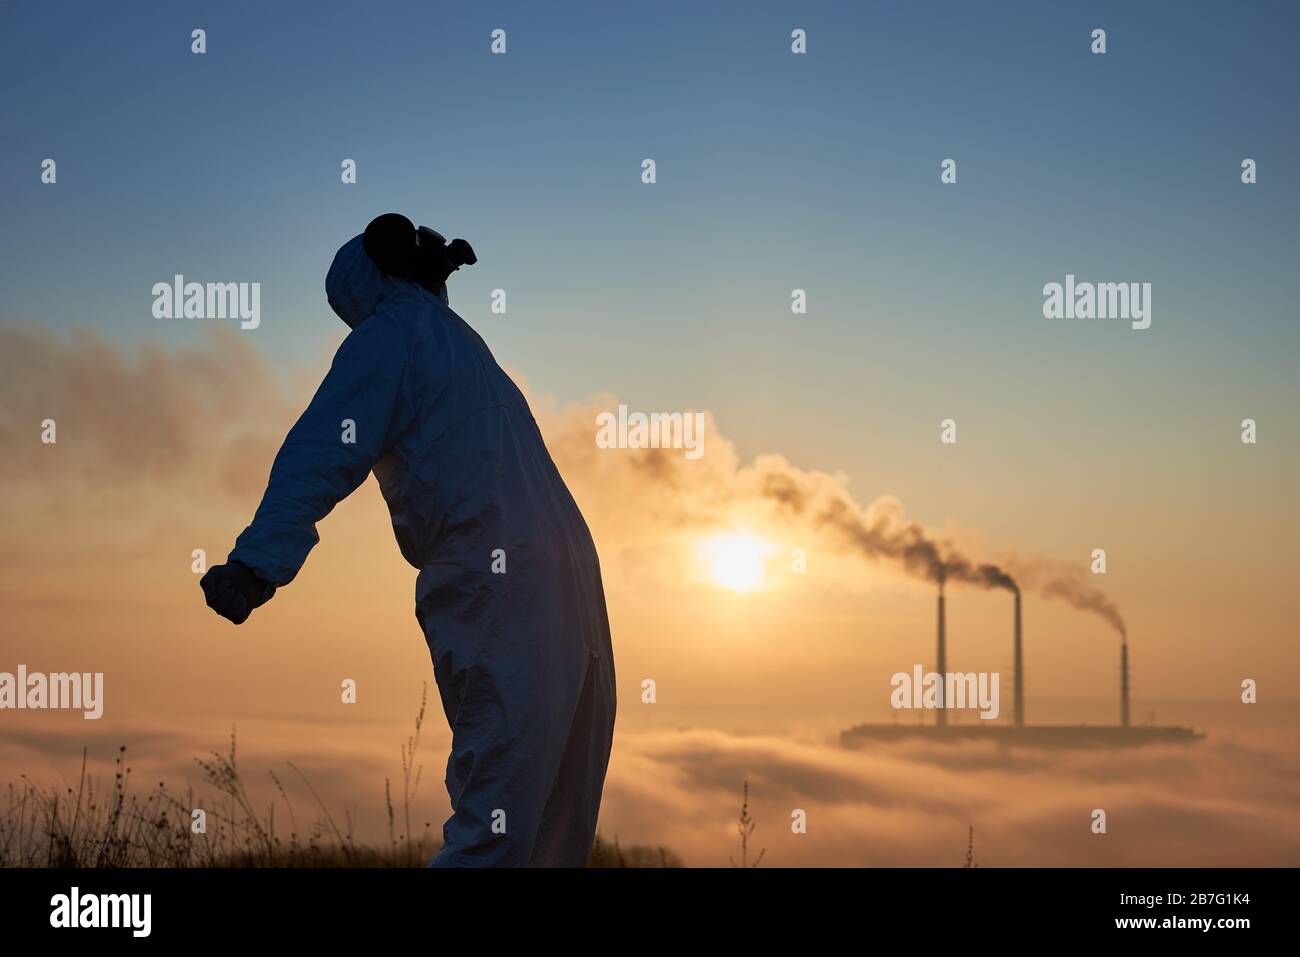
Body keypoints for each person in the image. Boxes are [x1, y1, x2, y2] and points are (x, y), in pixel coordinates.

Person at [200, 215, 616, 867]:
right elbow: (328, 446)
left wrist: (256, 561)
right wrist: (261, 557)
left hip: (507, 586)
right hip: (567, 587)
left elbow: (320, 450)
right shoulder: (438, 341)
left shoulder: (404, 335)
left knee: (518, 833)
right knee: (538, 828)